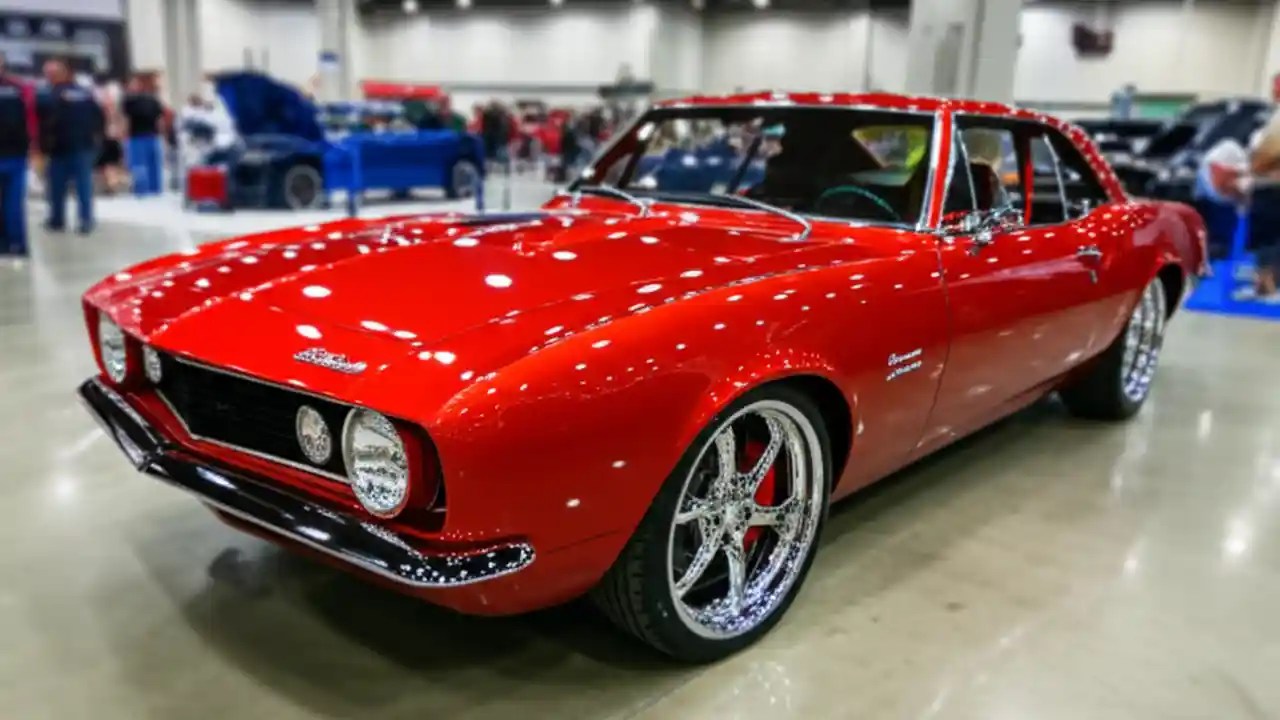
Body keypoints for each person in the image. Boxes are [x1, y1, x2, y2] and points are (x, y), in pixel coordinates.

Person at [36, 58, 104, 234]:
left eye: (51, 73)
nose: (49, 77)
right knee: (81, 185)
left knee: (60, 186)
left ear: (63, 73)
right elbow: (98, 117)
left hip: (62, 146)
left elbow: (43, 120)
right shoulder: (85, 93)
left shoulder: (48, 95)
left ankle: (58, 220)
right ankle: (84, 221)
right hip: (80, 145)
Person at [0, 50, 37, 255]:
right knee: (12, 202)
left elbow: (30, 120)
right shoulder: (20, 88)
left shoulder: (20, 88)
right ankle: (13, 244)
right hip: (16, 152)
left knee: (13, 203)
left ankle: (16, 244)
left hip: (15, 153)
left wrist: (32, 145)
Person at [1247, 107, 1280, 300]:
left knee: (1266, 242)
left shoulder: (1260, 135)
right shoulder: (1265, 137)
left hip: (1263, 193)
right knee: (1270, 241)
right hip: (1269, 193)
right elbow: (1259, 166)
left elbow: (1255, 167)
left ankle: (1265, 282)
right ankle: (1267, 283)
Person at [121, 74, 165, 196]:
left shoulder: (150, 100)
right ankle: (146, 189)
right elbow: (126, 119)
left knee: (147, 164)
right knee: (143, 165)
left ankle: (150, 189)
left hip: (147, 136)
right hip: (139, 135)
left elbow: (159, 119)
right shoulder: (130, 101)